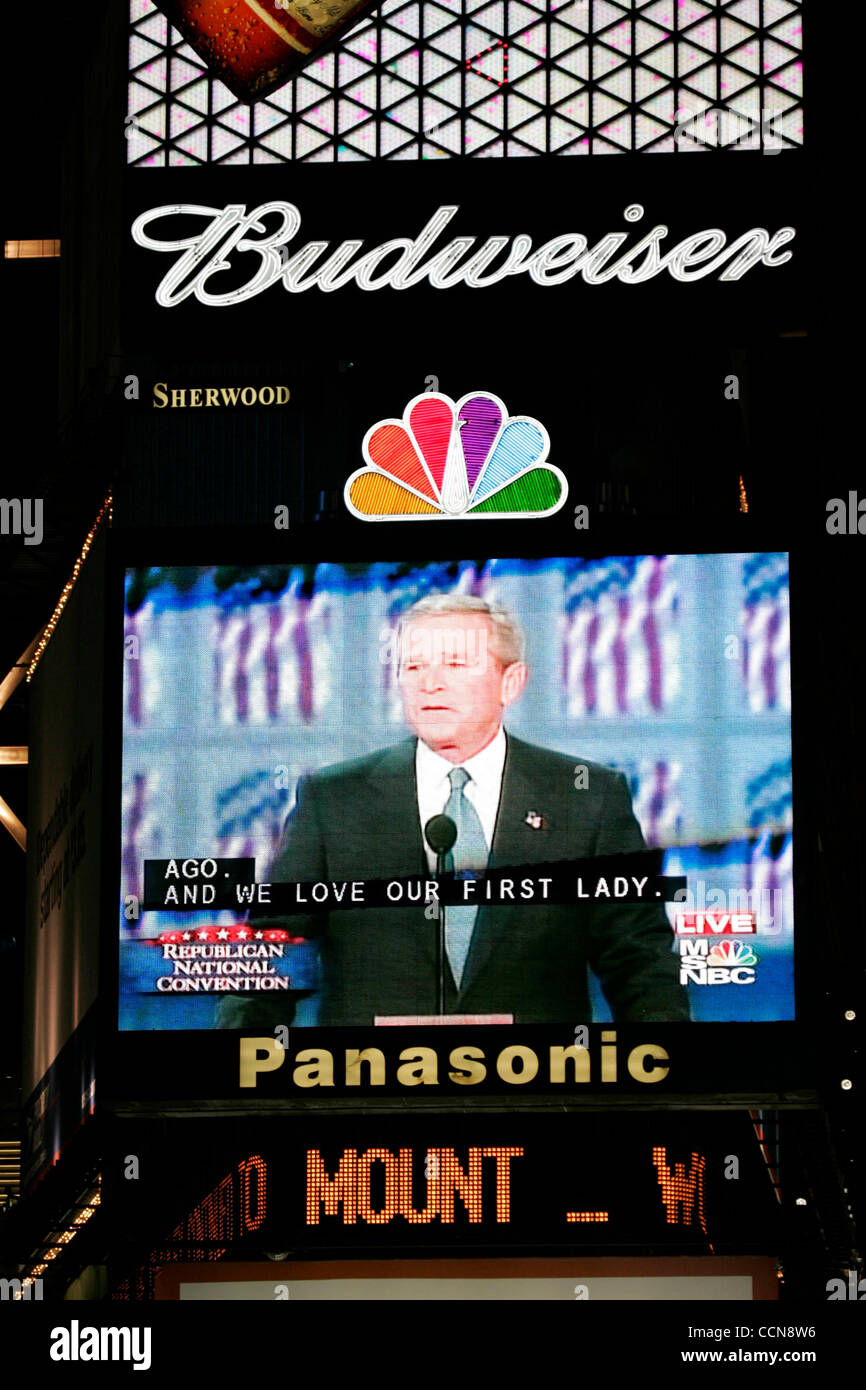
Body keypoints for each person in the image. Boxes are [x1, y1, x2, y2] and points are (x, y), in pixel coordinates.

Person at [219, 593, 689, 1027]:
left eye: (456, 663)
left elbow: (640, 963)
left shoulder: (588, 797)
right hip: (371, 1096)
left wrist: (668, 1083)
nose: (430, 684)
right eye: (414, 666)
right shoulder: (333, 799)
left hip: (538, 1095)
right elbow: (269, 963)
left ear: (511, 682)